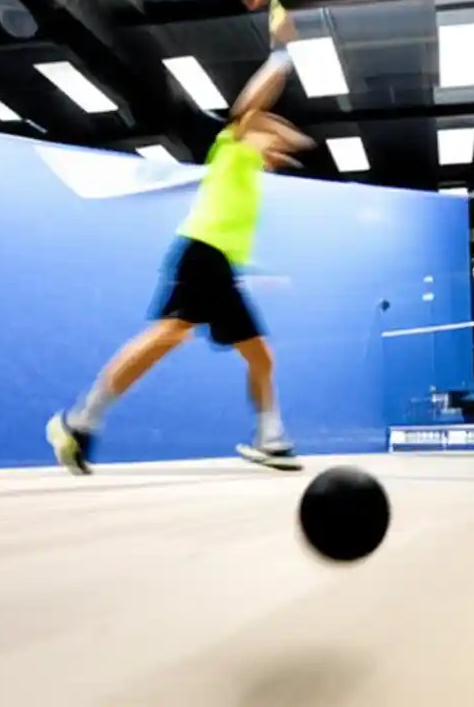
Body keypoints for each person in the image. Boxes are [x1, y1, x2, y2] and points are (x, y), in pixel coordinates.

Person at [46, 46, 314, 475]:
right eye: (275, 141)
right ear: (254, 131)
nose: (280, 152)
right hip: (201, 255)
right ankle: (80, 422)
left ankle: (271, 438)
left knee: (257, 355)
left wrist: (251, 277)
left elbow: (231, 233)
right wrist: (280, 58)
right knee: (170, 336)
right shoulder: (232, 147)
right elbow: (251, 106)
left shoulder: (247, 175)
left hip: (216, 264)